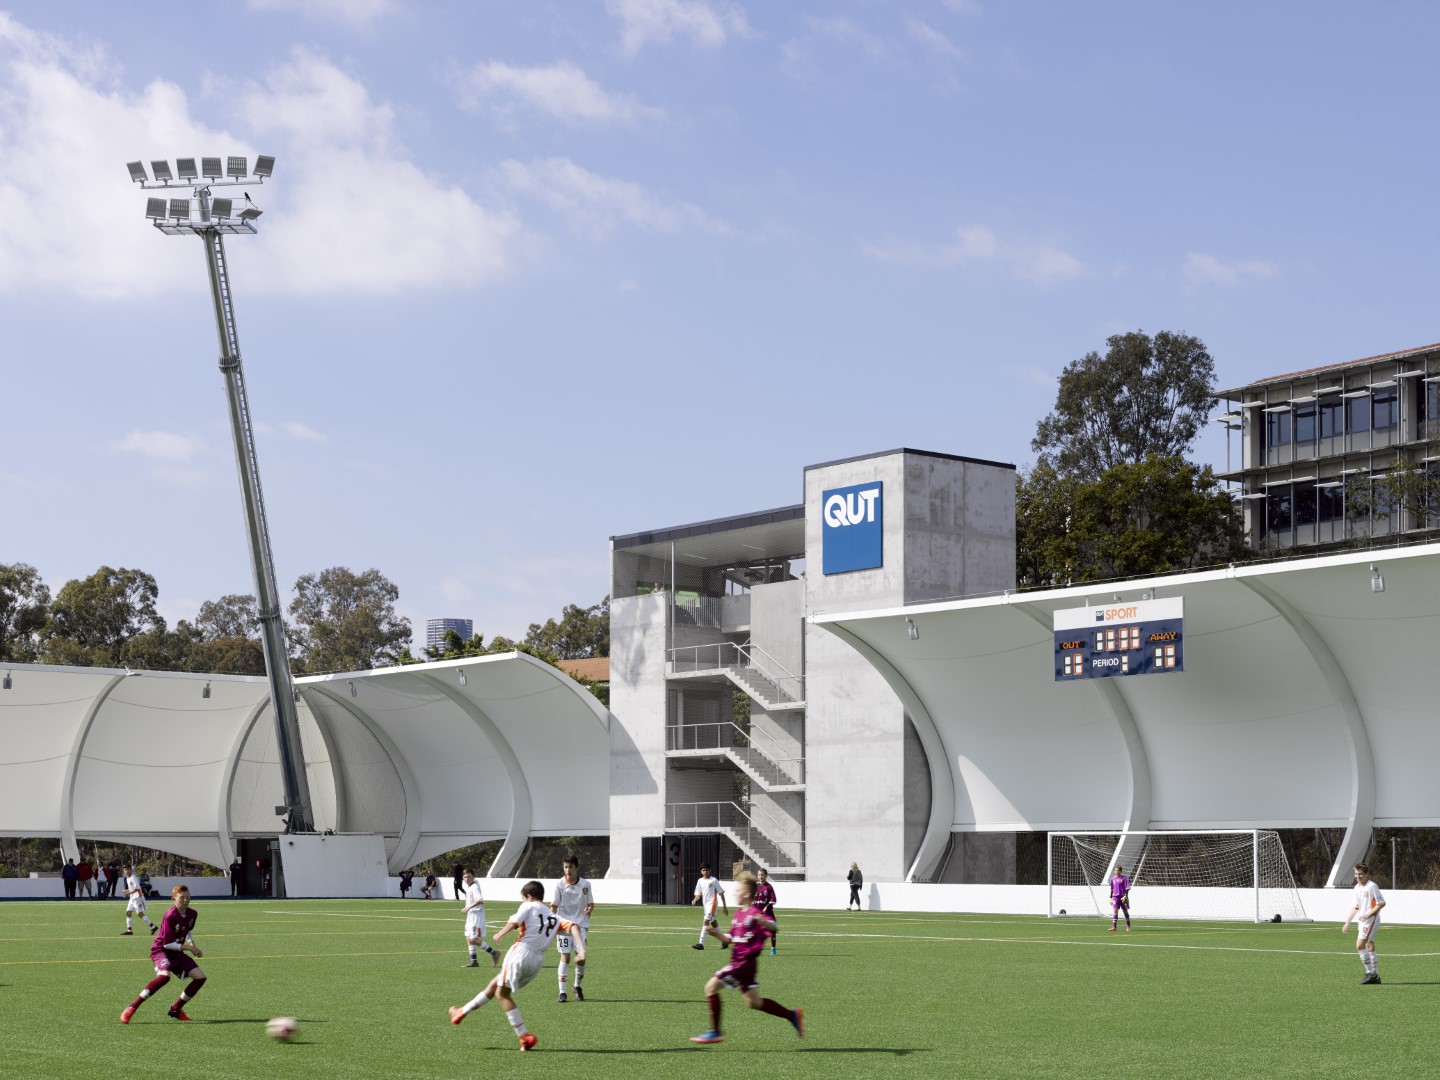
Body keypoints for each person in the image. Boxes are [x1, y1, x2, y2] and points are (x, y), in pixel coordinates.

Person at [447, 880, 584, 1051]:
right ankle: (461, 1012)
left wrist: (500, 933)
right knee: (494, 985)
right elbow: (574, 927)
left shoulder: (528, 906)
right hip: (536, 963)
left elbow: (514, 922)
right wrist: (581, 952)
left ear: (530, 896)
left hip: (521, 952)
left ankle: (524, 1035)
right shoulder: (554, 917)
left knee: (502, 993)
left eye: (523, 898)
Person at [689, 870, 803, 1045]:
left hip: (742, 964)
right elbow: (730, 939)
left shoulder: (754, 913)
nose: (735, 893)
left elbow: (774, 927)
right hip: (746, 966)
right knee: (754, 1002)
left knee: (710, 988)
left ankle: (715, 1031)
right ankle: (792, 1015)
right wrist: (717, 935)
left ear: (747, 893)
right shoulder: (739, 915)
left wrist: (765, 922)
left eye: (738, 890)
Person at [120, 885, 208, 1023]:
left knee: (200, 978)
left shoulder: (192, 914)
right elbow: (167, 944)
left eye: (188, 897)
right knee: (164, 977)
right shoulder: (170, 915)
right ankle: (132, 1007)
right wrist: (190, 949)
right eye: (182, 898)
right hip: (161, 950)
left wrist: (192, 944)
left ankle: (175, 1009)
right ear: (174, 899)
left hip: (177, 952)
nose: (186, 900)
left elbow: (187, 929)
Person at [552, 854, 594, 1002]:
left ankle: (577, 986)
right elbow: (554, 906)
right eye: (565, 867)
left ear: (576, 868)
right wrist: (551, 922)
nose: (568, 870)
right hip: (564, 925)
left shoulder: (585, 884)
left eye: (570, 867)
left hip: (581, 925)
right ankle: (562, 992)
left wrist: (589, 909)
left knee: (580, 958)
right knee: (565, 957)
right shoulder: (559, 885)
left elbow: (590, 903)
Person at [1342, 861, 1386, 985]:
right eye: (1356, 874)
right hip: (1363, 920)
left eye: (1360, 874)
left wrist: (1368, 914)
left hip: (1371, 919)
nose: (1358, 876)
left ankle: (1370, 973)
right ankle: (1375, 975)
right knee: (1369, 944)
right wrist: (1347, 922)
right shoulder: (1357, 888)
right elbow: (1355, 907)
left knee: (1359, 945)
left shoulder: (1372, 886)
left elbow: (1381, 903)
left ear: (1367, 874)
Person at [460, 869, 501, 968]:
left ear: (473, 877)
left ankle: (494, 953)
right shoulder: (471, 886)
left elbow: (480, 900)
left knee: (473, 939)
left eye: (469, 876)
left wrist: (468, 907)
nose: (467, 879)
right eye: (465, 877)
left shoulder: (474, 887)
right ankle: (474, 961)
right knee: (468, 938)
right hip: (471, 915)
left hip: (476, 915)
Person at [691, 864, 728, 949]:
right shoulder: (700, 881)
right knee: (714, 923)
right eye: (703, 870)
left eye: (707, 870)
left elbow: (721, 893)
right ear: (701, 871)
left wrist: (724, 906)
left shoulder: (713, 880)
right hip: (706, 905)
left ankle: (701, 943)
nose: (705, 872)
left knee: (705, 921)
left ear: (710, 870)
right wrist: (694, 900)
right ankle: (724, 941)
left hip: (712, 904)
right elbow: (698, 894)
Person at [121, 865, 158, 936]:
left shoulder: (133, 878)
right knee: (128, 912)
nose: (127, 871)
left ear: (131, 870)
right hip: (132, 898)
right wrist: (127, 891)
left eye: (128, 869)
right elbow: (132, 888)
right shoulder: (127, 878)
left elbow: (137, 888)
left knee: (139, 914)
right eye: (125, 870)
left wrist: (128, 892)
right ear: (124, 871)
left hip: (137, 897)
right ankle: (129, 930)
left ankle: (153, 927)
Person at [755, 868, 779, 956]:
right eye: (759, 875)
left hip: (768, 914)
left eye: (762, 875)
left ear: (766, 876)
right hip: (758, 914)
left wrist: (766, 906)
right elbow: (752, 900)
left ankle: (773, 948)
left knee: (772, 931)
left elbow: (773, 899)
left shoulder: (769, 887)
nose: (760, 876)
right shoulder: (755, 887)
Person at [1110, 863, 1131, 932]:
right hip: (1115, 897)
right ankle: (1114, 927)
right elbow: (1112, 889)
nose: (1116, 872)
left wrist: (1126, 896)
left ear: (1120, 871)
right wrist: (1110, 897)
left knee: (1125, 911)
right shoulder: (1113, 879)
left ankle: (1128, 926)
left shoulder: (1124, 878)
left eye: (1118, 870)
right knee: (1115, 911)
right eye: (1115, 870)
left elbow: (1127, 888)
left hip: (1122, 897)